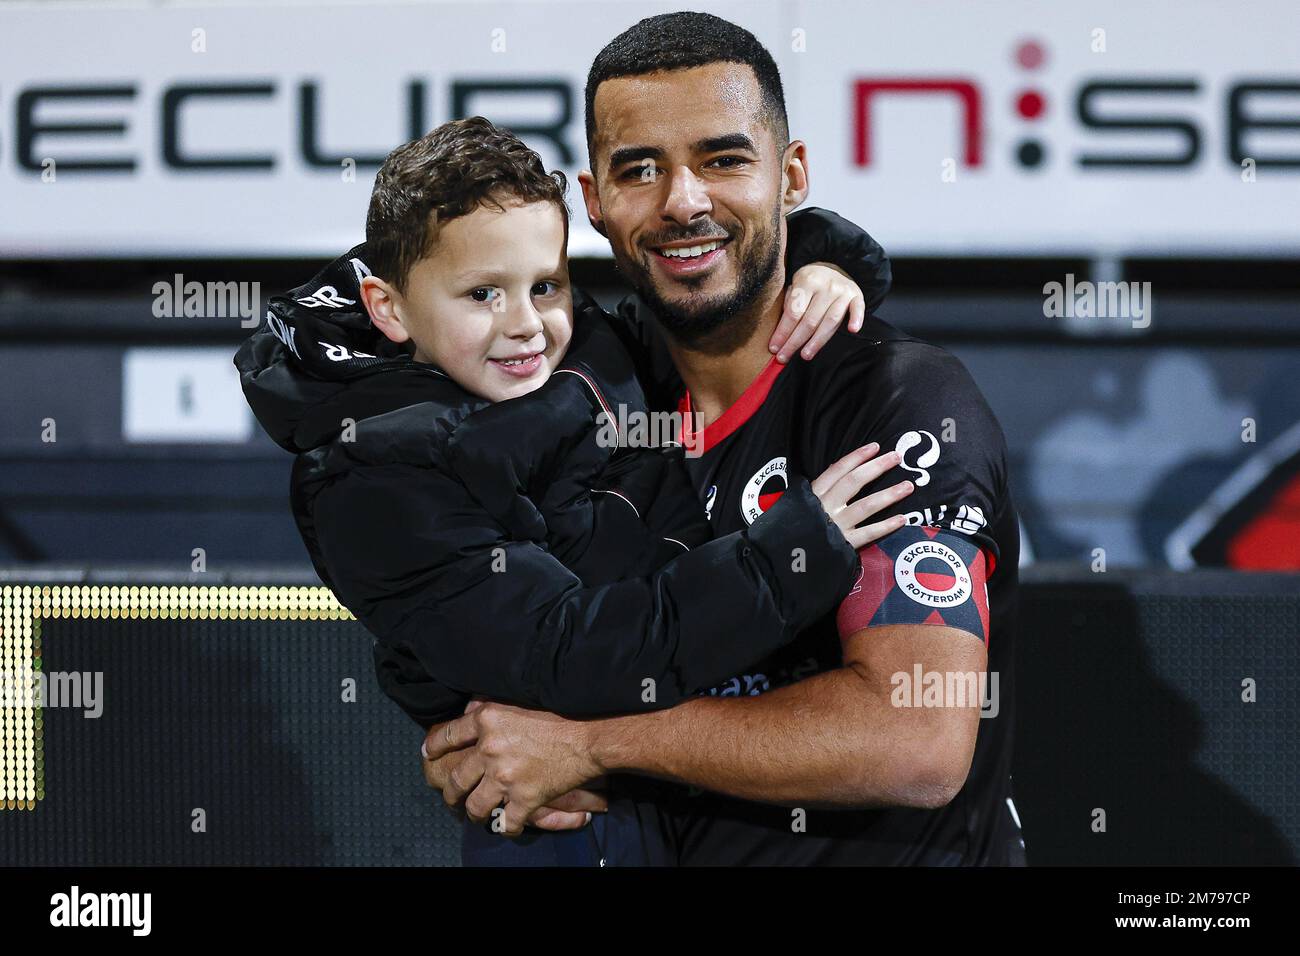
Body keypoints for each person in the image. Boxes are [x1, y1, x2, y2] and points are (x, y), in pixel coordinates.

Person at [421, 12, 1028, 866]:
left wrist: (593, 743)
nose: (683, 201)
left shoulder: (895, 398)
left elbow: (915, 739)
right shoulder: (569, 392)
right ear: (593, 203)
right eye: (639, 170)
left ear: (792, 176)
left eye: (723, 159)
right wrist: (480, 748)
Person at [236, 115, 912, 864]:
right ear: (387, 309)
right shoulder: (370, 479)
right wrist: (791, 554)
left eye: (546, 284)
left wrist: (823, 264)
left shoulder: (581, 344)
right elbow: (571, 654)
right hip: (566, 819)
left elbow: (698, 320)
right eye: (483, 294)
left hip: (675, 774)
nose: (526, 324)